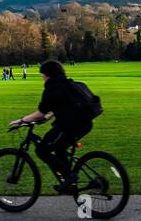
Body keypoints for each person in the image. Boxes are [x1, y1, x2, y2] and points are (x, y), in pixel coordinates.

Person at [10, 60, 94, 193]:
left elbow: (39, 113)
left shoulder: (51, 89)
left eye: (42, 74)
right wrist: (50, 115)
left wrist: (22, 120)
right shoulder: (67, 84)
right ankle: (69, 182)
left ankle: (70, 176)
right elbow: (65, 105)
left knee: (42, 150)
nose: (42, 77)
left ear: (48, 74)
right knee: (60, 149)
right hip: (86, 124)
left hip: (70, 126)